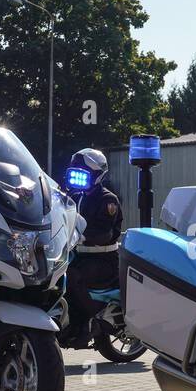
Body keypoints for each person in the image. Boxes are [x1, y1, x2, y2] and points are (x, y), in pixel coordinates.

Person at [60, 148, 123, 348]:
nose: (77, 177)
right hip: (79, 256)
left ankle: (89, 321)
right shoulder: (73, 197)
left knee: (71, 275)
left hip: (102, 260)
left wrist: (82, 235)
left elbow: (105, 233)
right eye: (74, 172)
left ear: (98, 175)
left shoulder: (107, 199)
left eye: (82, 174)